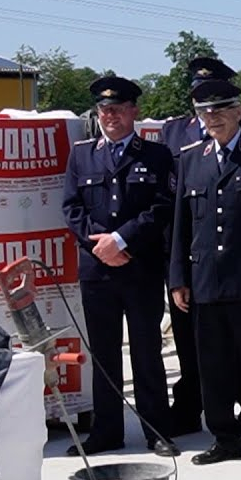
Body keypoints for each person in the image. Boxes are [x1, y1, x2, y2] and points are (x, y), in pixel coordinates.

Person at [62, 76, 179, 458]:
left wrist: (122, 240)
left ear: (134, 111)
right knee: (104, 354)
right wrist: (102, 246)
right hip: (97, 271)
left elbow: (162, 206)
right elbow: (72, 208)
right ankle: (107, 432)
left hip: (139, 266)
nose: (110, 116)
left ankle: (155, 430)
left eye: (117, 108)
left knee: (146, 351)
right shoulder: (81, 154)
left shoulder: (157, 155)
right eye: (103, 110)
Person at [169, 79, 241, 469]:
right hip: (205, 278)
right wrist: (177, 278)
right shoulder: (190, 158)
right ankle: (224, 436)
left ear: (238, 111)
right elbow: (181, 223)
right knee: (211, 362)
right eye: (204, 112)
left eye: (219, 110)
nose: (211, 118)